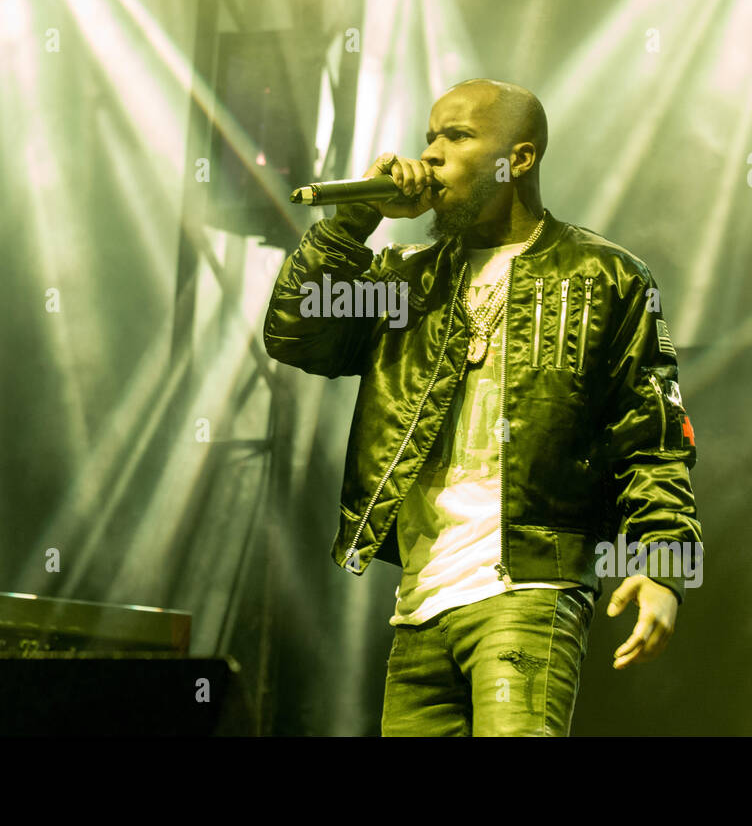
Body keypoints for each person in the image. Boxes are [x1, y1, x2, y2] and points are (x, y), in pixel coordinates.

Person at [263, 78, 702, 736]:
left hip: (529, 590)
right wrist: (353, 222)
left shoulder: (606, 278)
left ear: (518, 159)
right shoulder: (404, 279)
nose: (434, 154)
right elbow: (296, 332)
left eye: (459, 137)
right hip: (419, 602)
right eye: (430, 137)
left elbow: (655, 441)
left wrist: (665, 568)